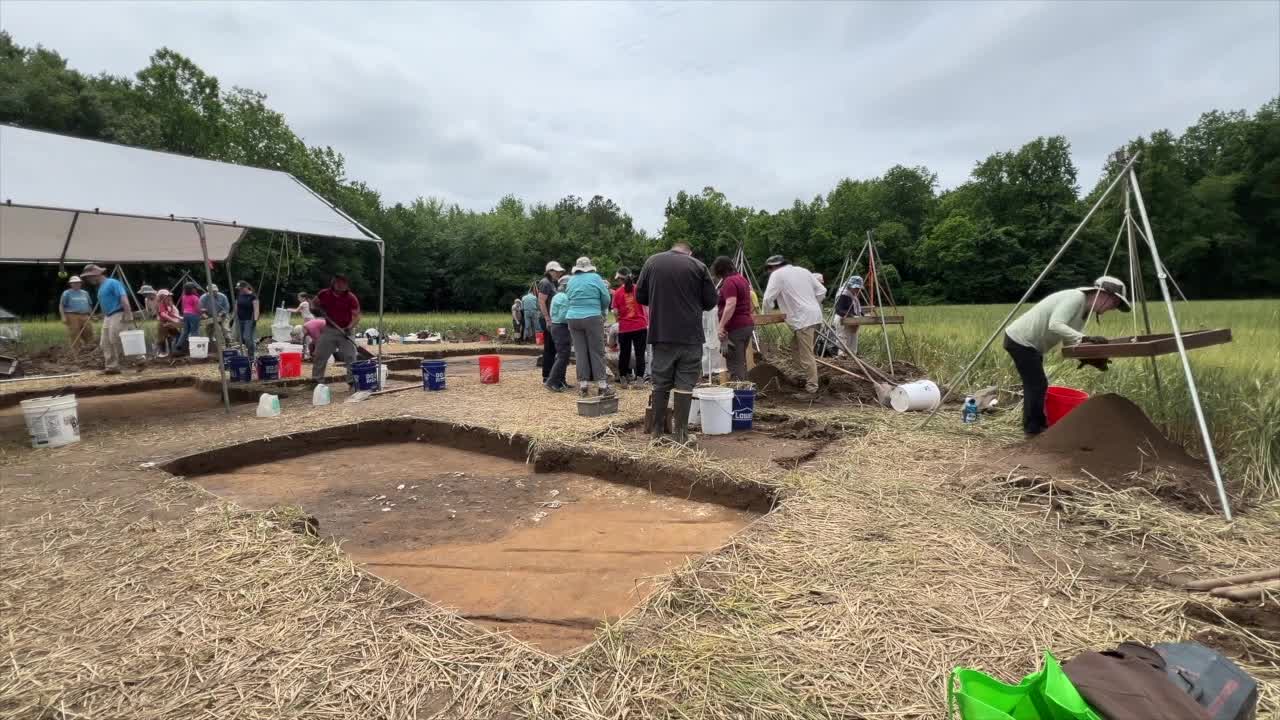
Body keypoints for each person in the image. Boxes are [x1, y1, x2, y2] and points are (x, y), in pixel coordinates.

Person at [1004, 275, 1130, 437]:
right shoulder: (1075, 297)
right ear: (1103, 294)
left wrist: (1088, 357)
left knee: (1037, 384)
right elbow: (1055, 324)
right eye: (1114, 304)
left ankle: (1037, 426)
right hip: (1020, 340)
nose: (1110, 309)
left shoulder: (1083, 312)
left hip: (1032, 346)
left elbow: (1069, 343)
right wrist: (1085, 338)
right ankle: (1033, 431)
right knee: (1037, 385)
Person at [635, 242, 718, 443]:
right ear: (689, 252)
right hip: (690, 335)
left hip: (661, 333)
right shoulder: (698, 266)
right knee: (685, 383)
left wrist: (660, 299)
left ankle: (656, 433)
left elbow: (640, 296)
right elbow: (711, 302)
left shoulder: (652, 262)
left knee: (661, 382)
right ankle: (681, 434)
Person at [761, 255, 826, 399]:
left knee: (806, 354)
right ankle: (802, 376)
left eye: (769, 270)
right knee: (795, 347)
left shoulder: (777, 274)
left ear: (773, 267)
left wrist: (765, 315)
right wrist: (812, 304)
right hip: (814, 317)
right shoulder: (803, 271)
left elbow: (767, 298)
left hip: (803, 319)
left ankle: (812, 388)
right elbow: (822, 291)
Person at [564, 257, 613, 397]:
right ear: (589, 267)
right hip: (592, 316)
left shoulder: (571, 280)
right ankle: (602, 386)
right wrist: (600, 309)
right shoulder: (595, 277)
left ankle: (583, 385)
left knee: (580, 352)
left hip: (573, 318)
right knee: (596, 351)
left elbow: (568, 298)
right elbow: (606, 299)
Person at [79, 264, 132, 374]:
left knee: (117, 340)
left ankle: (139, 359)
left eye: (89, 277)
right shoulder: (101, 288)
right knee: (105, 343)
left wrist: (128, 313)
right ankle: (112, 367)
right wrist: (101, 316)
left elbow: (123, 297)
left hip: (118, 314)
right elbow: (107, 304)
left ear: (96, 275)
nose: (88, 280)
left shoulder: (113, 283)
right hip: (108, 317)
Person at [710, 256, 755, 381]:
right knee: (740, 361)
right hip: (746, 325)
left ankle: (739, 394)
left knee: (735, 363)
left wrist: (721, 326)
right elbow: (749, 303)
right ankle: (745, 390)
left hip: (735, 327)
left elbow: (730, 304)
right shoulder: (742, 279)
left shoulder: (729, 282)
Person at [311, 274, 362, 382]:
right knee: (320, 355)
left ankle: (352, 381)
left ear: (347, 285)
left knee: (350, 356)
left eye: (343, 282)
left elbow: (357, 316)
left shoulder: (351, 298)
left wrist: (349, 328)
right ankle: (316, 380)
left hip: (346, 330)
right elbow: (314, 304)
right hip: (329, 329)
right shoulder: (324, 294)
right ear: (333, 283)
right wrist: (315, 310)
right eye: (338, 282)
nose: (340, 285)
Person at [611, 267, 649, 387]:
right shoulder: (638, 289)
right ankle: (639, 380)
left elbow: (616, 312)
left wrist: (620, 318)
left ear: (620, 280)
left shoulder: (617, 293)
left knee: (624, 354)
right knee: (640, 354)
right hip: (640, 326)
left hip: (625, 327)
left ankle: (623, 379)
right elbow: (645, 304)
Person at [538, 261, 565, 383]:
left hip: (551, 318)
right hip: (547, 319)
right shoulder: (545, 283)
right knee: (549, 347)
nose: (558, 273)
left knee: (553, 347)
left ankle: (552, 375)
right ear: (550, 271)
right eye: (556, 271)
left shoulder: (552, 283)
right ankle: (547, 375)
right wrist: (547, 318)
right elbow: (541, 301)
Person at [544, 275, 572, 392]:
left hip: (556, 326)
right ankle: (552, 381)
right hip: (561, 327)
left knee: (563, 355)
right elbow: (563, 316)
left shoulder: (557, 296)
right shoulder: (564, 297)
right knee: (562, 355)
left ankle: (561, 380)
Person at [59, 275, 93, 352]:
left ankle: (89, 348)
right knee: (74, 333)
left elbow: (89, 305)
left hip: (85, 315)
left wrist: (92, 315)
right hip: (72, 315)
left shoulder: (85, 293)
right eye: (74, 283)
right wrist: (63, 316)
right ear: (70, 284)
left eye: (78, 283)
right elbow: (61, 305)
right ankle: (76, 351)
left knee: (88, 331)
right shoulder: (67, 293)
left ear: (80, 283)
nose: (76, 284)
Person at [833, 275, 865, 356]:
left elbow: (854, 308)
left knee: (853, 338)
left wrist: (861, 315)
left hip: (851, 320)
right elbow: (840, 309)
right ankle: (842, 355)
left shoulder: (852, 294)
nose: (857, 290)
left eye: (858, 288)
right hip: (842, 319)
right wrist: (852, 316)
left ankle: (852, 355)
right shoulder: (843, 294)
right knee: (843, 337)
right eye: (856, 288)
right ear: (850, 286)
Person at [234, 281, 261, 356]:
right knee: (240, 338)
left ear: (245, 287)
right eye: (239, 289)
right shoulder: (239, 295)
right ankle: (245, 352)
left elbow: (256, 309)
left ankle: (251, 353)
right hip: (240, 319)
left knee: (247, 337)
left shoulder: (253, 296)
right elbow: (236, 306)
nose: (240, 290)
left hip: (249, 319)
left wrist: (255, 320)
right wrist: (233, 318)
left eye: (241, 288)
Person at [154, 289, 183, 357]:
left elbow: (171, 314)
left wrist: (179, 317)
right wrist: (173, 320)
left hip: (168, 323)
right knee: (162, 338)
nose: (168, 297)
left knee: (178, 335)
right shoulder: (160, 304)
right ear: (162, 296)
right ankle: (162, 353)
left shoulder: (167, 304)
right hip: (162, 323)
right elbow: (163, 314)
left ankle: (176, 350)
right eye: (167, 296)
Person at [176, 282, 202, 354]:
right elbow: (197, 309)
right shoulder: (195, 298)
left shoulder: (184, 297)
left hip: (185, 314)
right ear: (192, 289)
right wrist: (202, 313)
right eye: (195, 289)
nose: (196, 290)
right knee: (194, 331)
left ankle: (179, 345)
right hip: (194, 315)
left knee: (185, 331)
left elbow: (184, 307)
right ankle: (195, 347)